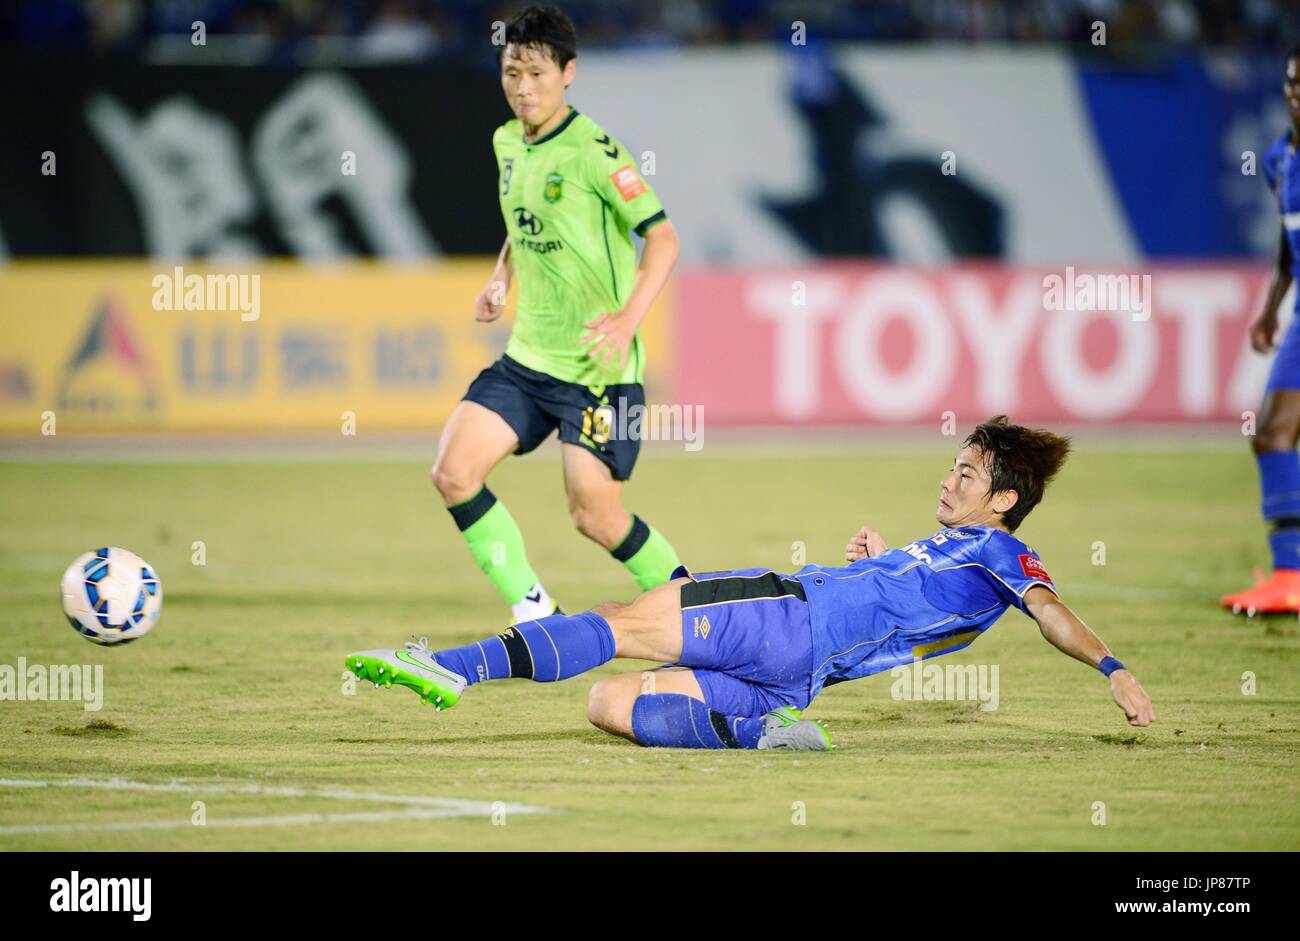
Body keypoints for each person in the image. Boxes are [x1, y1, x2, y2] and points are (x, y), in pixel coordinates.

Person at [347, 416, 1156, 750]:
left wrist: (1113, 668)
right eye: (953, 464)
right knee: (607, 704)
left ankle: (453, 665)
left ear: (1005, 501)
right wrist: (876, 556)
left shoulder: (1003, 558)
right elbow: (908, 605)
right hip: (797, 678)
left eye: (967, 473)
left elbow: (1050, 613)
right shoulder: (957, 553)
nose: (949, 479)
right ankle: (759, 735)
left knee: (619, 618)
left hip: (784, 615)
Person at [434, 5, 683, 623]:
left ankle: (701, 609)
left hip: (600, 368)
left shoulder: (596, 152)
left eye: (537, 74)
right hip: (528, 358)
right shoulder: (505, 142)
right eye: (511, 72)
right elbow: (523, 224)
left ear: (568, 72)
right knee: (453, 472)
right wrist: (501, 277)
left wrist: (628, 317)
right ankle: (534, 607)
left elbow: (664, 238)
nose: (523, 87)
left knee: (594, 516)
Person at [1221, 48, 1300, 615]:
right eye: (1293, 83)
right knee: (1273, 435)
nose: (1297, 94)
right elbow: (1287, 243)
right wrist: (1271, 309)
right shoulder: (1279, 159)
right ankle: (1289, 576)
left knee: (1274, 433)